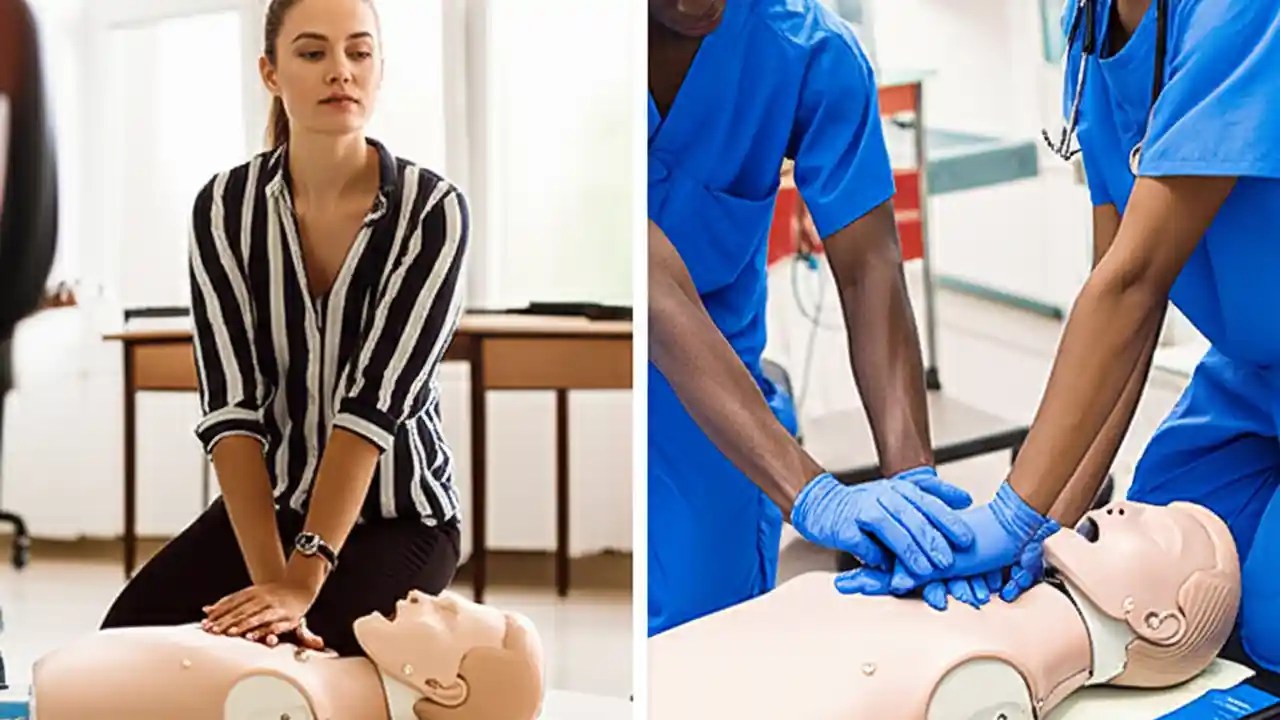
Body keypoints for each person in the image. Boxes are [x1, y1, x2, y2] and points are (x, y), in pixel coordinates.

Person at [839, 0, 1280, 672]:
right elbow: (1123, 296)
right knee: (1138, 590)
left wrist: (1014, 509)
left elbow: (1130, 285)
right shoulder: (1095, 26)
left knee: (1269, 624)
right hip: (1253, 370)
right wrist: (1053, 529)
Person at [99, 0, 469, 659]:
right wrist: (273, 583)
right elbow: (231, 411)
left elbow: (373, 406)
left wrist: (303, 582)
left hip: (401, 518)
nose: (340, 72)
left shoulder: (432, 211)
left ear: (380, 70)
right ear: (271, 73)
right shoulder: (224, 208)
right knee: (124, 647)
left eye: (359, 53)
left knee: (309, 663)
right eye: (312, 52)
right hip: (272, 517)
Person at [647, 0, 981, 637]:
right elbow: (654, 285)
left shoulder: (810, 53)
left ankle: (768, 399)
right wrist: (813, 493)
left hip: (718, 376)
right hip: (636, 329)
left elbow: (869, 272)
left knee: (705, 624)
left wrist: (916, 492)